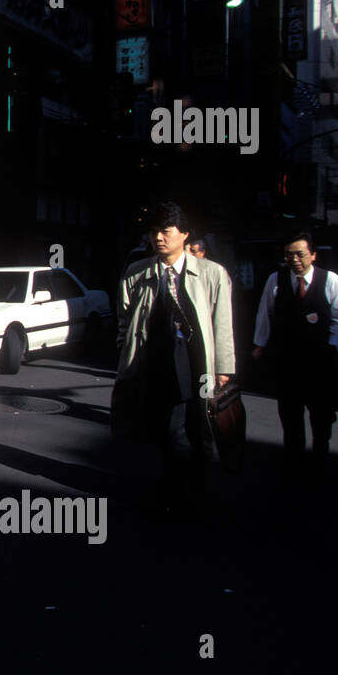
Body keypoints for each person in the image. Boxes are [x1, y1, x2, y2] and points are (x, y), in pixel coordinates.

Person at [113, 202, 235, 501]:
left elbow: (222, 323)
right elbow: (123, 318)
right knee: (161, 429)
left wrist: (223, 369)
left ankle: (193, 488)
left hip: (195, 365)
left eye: (165, 231)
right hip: (153, 365)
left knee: (196, 427)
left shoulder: (212, 273)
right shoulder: (136, 272)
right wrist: (125, 354)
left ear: (184, 234)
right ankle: (172, 487)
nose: (158, 238)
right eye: (154, 232)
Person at [250, 232, 338, 470]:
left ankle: (320, 458)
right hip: (287, 360)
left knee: (321, 415)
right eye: (288, 255)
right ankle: (294, 462)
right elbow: (266, 315)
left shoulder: (331, 280)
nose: (294, 259)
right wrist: (259, 345)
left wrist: (333, 346)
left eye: (300, 254)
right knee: (290, 414)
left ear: (313, 255)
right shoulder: (276, 280)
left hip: (319, 361)